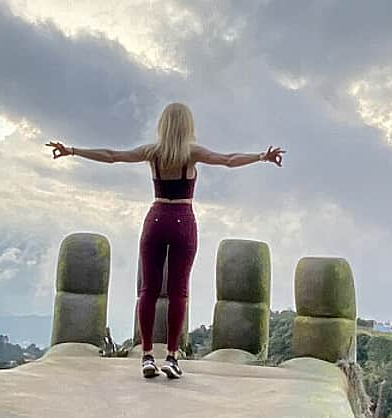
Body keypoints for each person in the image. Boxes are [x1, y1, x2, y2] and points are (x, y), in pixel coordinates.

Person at [46, 102, 284, 379]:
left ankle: (147, 354)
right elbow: (228, 160)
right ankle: (171, 357)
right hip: (183, 220)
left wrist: (72, 150)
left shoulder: (153, 152)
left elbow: (112, 156)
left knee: (149, 290)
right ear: (188, 125)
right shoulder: (192, 153)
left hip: (156, 219)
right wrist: (261, 157)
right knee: (178, 291)